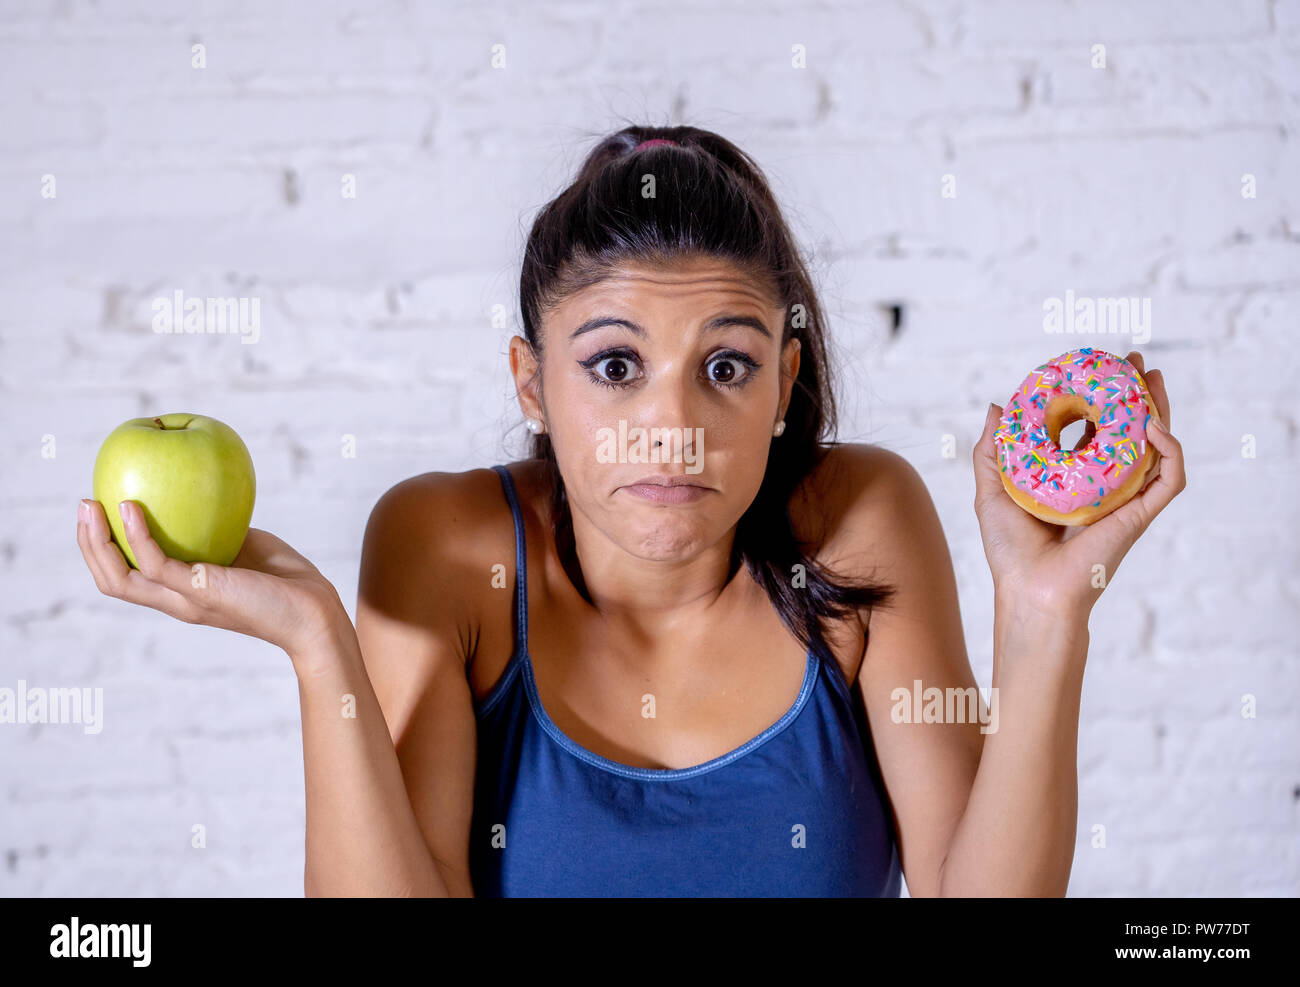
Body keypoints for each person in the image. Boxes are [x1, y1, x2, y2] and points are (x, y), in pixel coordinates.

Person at [75, 125, 1186, 897]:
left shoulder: (858, 521)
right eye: (614, 367)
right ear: (531, 384)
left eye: (728, 367)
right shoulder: (447, 549)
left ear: (785, 383)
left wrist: (1047, 616)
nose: (674, 425)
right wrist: (321, 651)